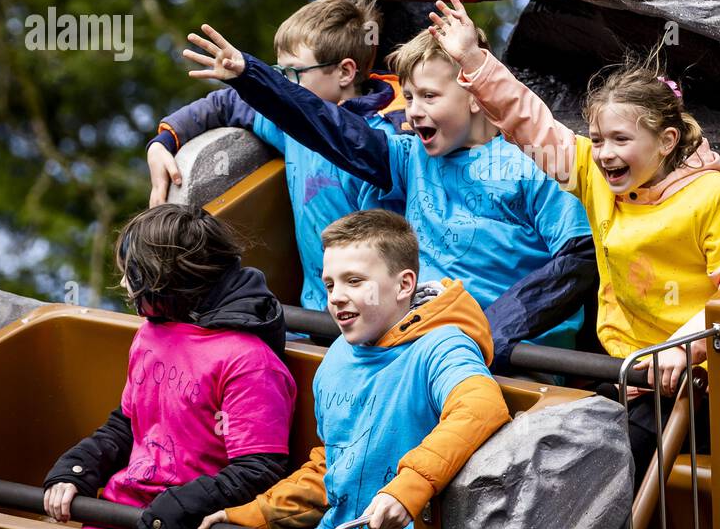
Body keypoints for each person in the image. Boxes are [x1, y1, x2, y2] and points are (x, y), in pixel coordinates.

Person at [429, 0, 720, 486]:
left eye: (620, 140)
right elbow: (528, 123)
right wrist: (474, 59)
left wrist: (677, 349)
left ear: (667, 141)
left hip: (690, 387)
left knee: (592, 477)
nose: (604, 153)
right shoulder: (594, 175)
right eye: (598, 139)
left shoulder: (717, 197)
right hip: (620, 372)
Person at [180, 19, 597, 370]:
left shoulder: (532, 165)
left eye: (430, 97)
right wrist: (251, 76)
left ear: (475, 96)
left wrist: (488, 331)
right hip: (417, 347)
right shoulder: (409, 157)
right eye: (410, 96)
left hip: (514, 358)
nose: (413, 111)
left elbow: (581, 255)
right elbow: (328, 127)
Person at [197, 209, 510, 529]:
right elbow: (332, 469)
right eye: (329, 285)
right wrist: (249, 519)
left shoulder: (443, 344)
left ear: (404, 285)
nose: (336, 298)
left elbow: (480, 406)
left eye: (354, 282)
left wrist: (408, 486)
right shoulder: (339, 358)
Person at [42, 204, 296, 529]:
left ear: (169, 281)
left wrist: (182, 506)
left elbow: (258, 468)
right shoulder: (150, 334)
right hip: (123, 512)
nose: (122, 283)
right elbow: (126, 426)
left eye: (133, 274)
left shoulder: (249, 360)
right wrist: (75, 471)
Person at [145, 0, 405, 310]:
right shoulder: (287, 122)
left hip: (377, 313)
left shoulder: (386, 137)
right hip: (316, 310)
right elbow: (226, 102)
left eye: (292, 74)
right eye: (278, 74)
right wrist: (162, 142)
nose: (282, 85)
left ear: (345, 71)